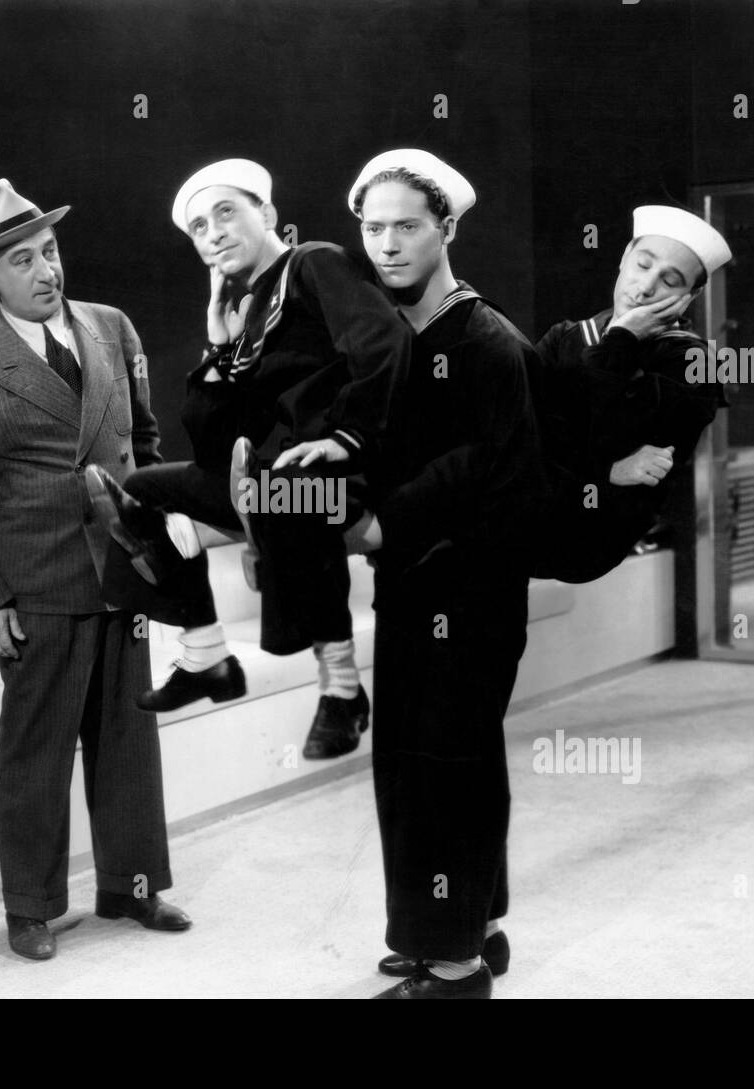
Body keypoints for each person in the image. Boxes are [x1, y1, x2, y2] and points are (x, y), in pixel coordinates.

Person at [0, 179, 190, 962]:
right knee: (37, 754)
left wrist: (156, 542)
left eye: (50, 250)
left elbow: (142, 446)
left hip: (121, 572)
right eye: (23, 259)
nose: (47, 271)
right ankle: (33, 908)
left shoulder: (113, 329)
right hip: (38, 585)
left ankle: (133, 884)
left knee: (128, 740)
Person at [87, 158, 411, 760]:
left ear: (268, 214)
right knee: (140, 492)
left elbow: (384, 344)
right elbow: (214, 445)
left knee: (279, 488)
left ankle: (341, 688)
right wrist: (217, 345)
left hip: (340, 481)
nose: (213, 232)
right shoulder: (246, 309)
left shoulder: (313, 263)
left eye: (227, 212)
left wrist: (350, 437)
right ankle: (208, 657)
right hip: (261, 482)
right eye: (199, 227)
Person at [344, 150, 545, 999]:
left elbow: (487, 475)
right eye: (372, 227)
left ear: (448, 228)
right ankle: (471, 927)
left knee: (444, 769)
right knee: (421, 763)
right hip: (413, 590)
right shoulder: (394, 338)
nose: (386, 244)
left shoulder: (487, 341)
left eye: (406, 226)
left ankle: (454, 966)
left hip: (471, 594)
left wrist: (391, 524)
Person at [531, 205, 731, 584]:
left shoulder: (693, 363)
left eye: (669, 281)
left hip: (586, 540)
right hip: (527, 516)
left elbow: (601, 429)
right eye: (642, 264)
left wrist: (621, 340)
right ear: (624, 257)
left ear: (693, 294)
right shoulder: (567, 336)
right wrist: (610, 470)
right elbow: (518, 432)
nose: (645, 287)